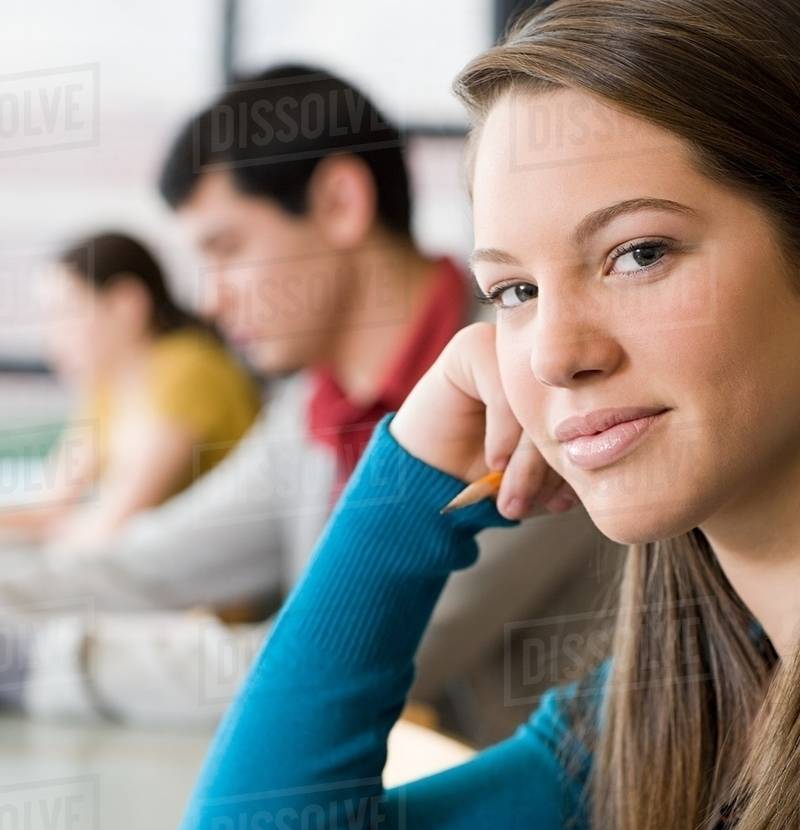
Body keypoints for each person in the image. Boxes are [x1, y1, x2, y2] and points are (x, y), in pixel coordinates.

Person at [152, 2, 800, 830]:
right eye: (509, 292)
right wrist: (405, 482)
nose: (553, 353)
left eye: (636, 252)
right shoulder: (686, 694)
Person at [0, 65, 616, 741]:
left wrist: (29, 662)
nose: (209, 299)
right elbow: (141, 568)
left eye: (227, 248)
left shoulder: (520, 382)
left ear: (340, 203)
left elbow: (337, 665)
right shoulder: (314, 404)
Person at [0, 232, 259, 550]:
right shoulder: (108, 382)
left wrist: (64, 529)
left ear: (126, 304)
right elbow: (48, 509)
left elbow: (112, 527)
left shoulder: (188, 369)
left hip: (204, 592)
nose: (52, 338)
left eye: (64, 313)